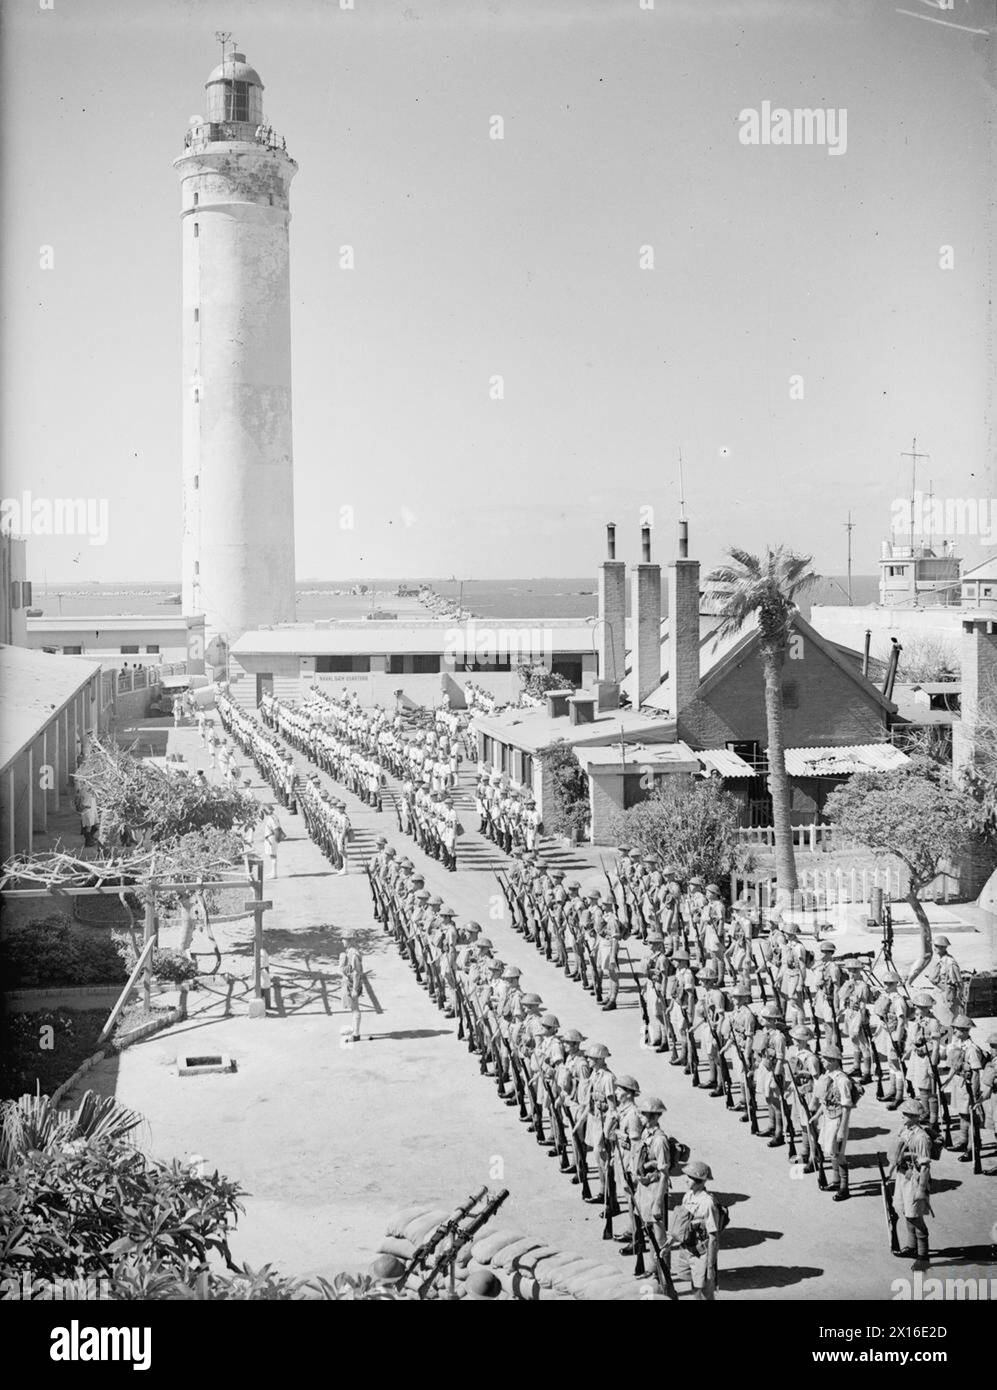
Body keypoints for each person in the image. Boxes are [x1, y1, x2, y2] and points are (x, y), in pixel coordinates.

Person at [886, 1099, 934, 1271]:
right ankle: (912, 1247)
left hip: (915, 1179)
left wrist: (921, 1189)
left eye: (906, 1114)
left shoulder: (921, 1138)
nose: (902, 1116)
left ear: (915, 1117)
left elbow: (925, 1166)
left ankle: (923, 1256)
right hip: (902, 1176)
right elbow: (897, 1152)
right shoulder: (905, 1130)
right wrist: (889, 1172)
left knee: (915, 1217)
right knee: (906, 1212)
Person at [667, 1160, 724, 1301]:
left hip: (701, 1254)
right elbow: (681, 1224)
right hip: (687, 1249)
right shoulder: (688, 1195)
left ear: (700, 1180)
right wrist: (667, 1244)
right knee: (695, 1288)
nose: (685, 1179)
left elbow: (713, 1237)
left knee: (704, 1292)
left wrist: (710, 1267)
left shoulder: (708, 1203)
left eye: (689, 1177)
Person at [812, 1043, 856, 1201]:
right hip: (827, 1118)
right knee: (831, 1151)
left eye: (826, 1059)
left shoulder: (842, 1080)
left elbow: (846, 1107)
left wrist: (842, 1129)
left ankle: (845, 1187)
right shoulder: (827, 1076)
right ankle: (836, 1180)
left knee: (839, 1154)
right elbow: (824, 1101)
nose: (823, 1062)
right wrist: (817, 1115)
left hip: (838, 1120)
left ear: (834, 1061)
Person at [340, 930, 364, 1042]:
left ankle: (356, 1034)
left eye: (344, 939)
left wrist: (354, 989)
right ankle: (355, 1031)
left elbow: (356, 973)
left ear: (349, 941)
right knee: (353, 1008)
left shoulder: (353, 954)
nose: (342, 941)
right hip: (350, 982)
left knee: (355, 1008)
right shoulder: (349, 952)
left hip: (353, 984)